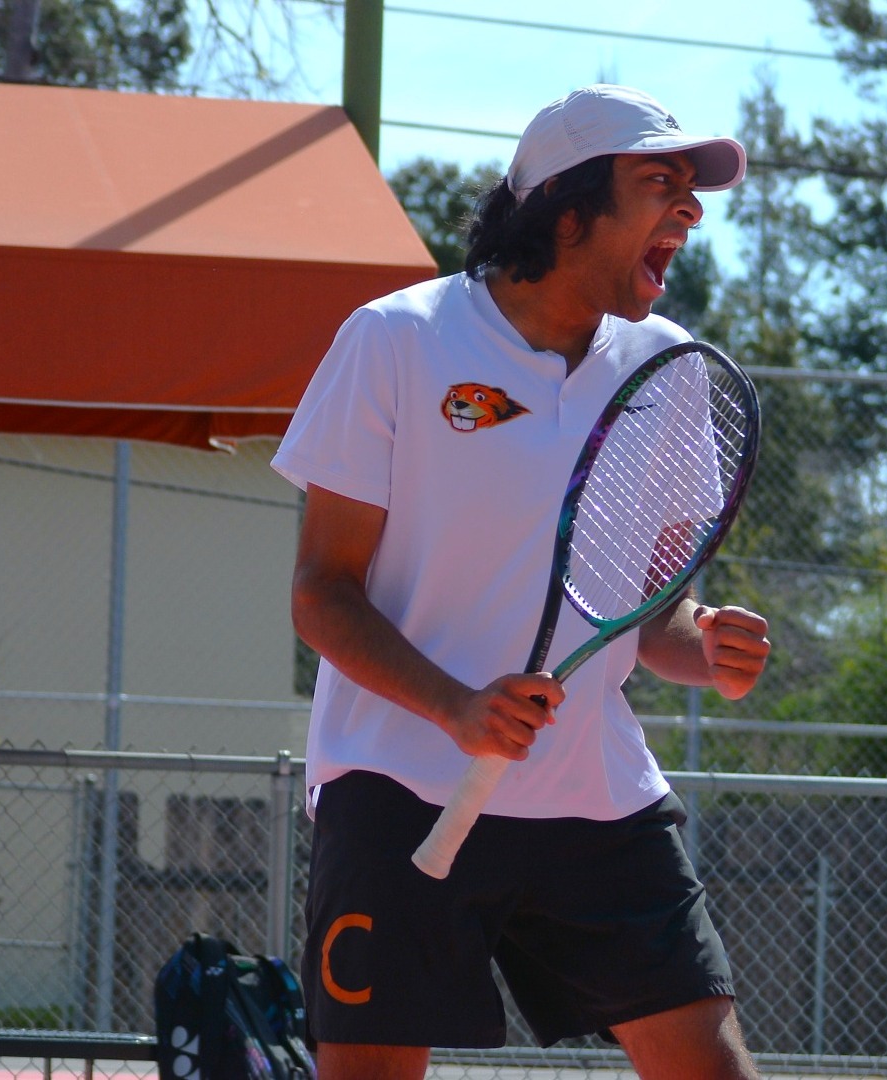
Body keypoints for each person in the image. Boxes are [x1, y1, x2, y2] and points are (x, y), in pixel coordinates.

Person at [272, 84, 771, 1080]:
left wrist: (706, 643)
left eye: (692, 187)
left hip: (597, 798)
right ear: (566, 208)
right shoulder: (397, 339)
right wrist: (456, 708)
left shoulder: (669, 368)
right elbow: (323, 593)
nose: (690, 207)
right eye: (660, 181)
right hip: (394, 790)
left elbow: (650, 614)